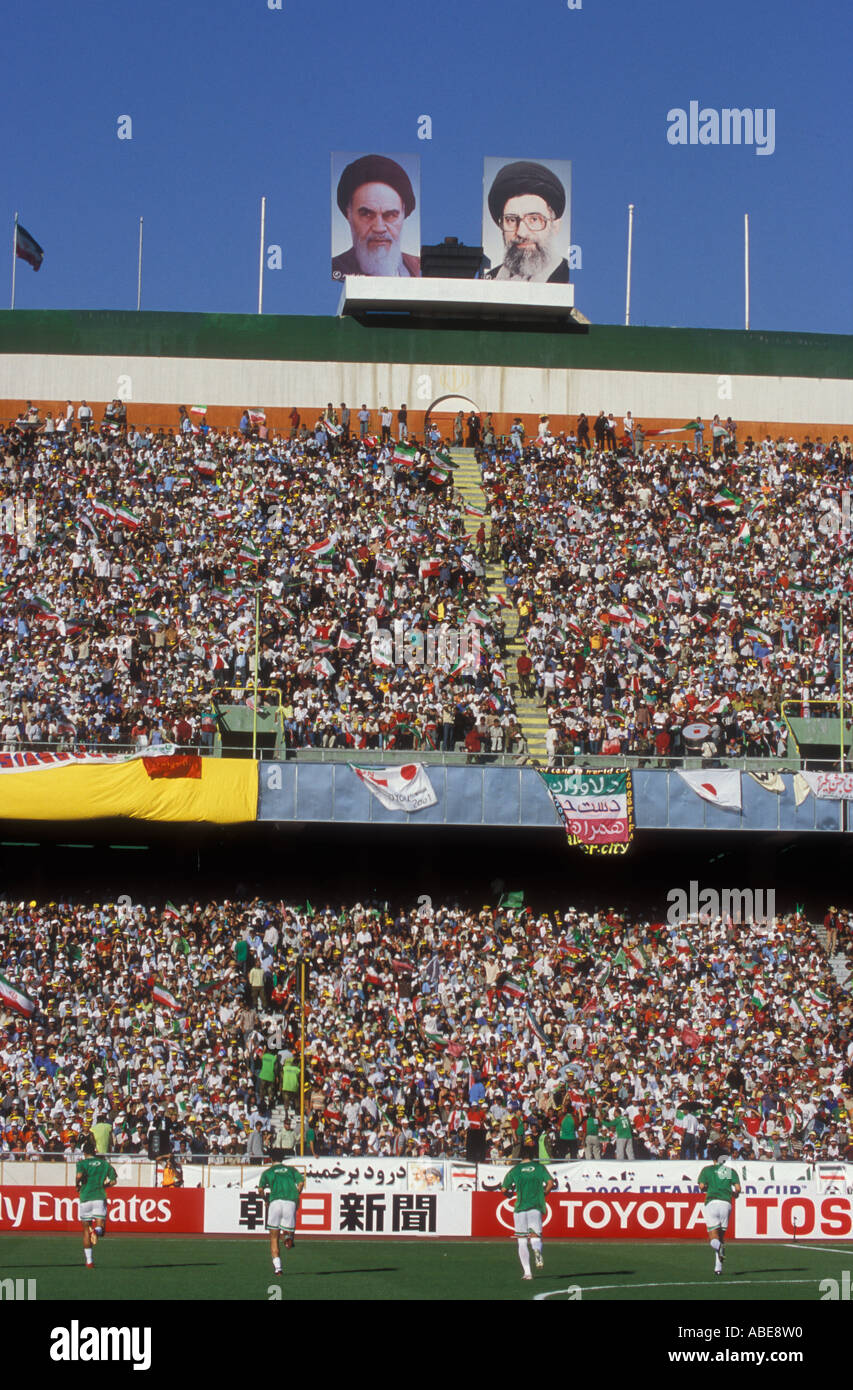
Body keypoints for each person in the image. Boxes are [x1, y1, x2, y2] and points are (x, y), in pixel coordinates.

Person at [332, 154, 421, 279]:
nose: (379, 228)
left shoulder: (419, 267)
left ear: (403, 213)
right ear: (349, 214)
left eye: (390, 215)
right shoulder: (336, 268)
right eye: (367, 214)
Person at [484, 161, 569, 283]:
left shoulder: (567, 277)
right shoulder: (489, 280)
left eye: (534, 219)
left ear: (555, 226)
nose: (522, 233)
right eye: (512, 220)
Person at [501, 1139, 555, 1281]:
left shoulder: (515, 1170)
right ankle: (537, 1250)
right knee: (536, 1236)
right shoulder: (539, 1168)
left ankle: (527, 1273)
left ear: (521, 1156)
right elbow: (550, 1183)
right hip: (535, 1206)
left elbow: (504, 1189)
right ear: (532, 1156)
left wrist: (509, 1194)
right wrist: (544, 1193)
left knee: (522, 1241)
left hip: (520, 1208)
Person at [258, 1160, 305, 1277]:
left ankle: (278, 1268)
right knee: (289, 1228)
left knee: (274, 1237)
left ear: (271, 1160)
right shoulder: (292, 1170)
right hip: (290, 1201)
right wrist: (297, 1193)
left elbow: (260, 1190)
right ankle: (288, 1237)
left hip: (275, 1202)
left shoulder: (267, 1172)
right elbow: (301, 1183)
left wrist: (266, 1200)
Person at [697, 1150, 741, 1276]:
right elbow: (738, 1189)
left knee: (713, 1237)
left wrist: (708, 1188)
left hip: (712, 1202)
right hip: (726, 1203)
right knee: (721, 1237)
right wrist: (734, 1194)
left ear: (713, 1159)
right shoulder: (729, 1171)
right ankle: (718, 1268)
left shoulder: (707, 1170)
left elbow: (701, 1186)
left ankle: (718, 1249)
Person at [75, 1139, 117, 1268]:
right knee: (101, 1229)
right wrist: (104, 1186)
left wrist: (77, 1185)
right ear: (94, 1151)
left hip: (85, 1197)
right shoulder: (105, 1164)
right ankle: (97, 1231)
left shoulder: (82, 1163)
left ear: (84, 1152)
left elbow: (79, 1176)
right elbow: (114, 1181)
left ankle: (89, 1261)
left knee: (85, 1230)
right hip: (99, 1196)